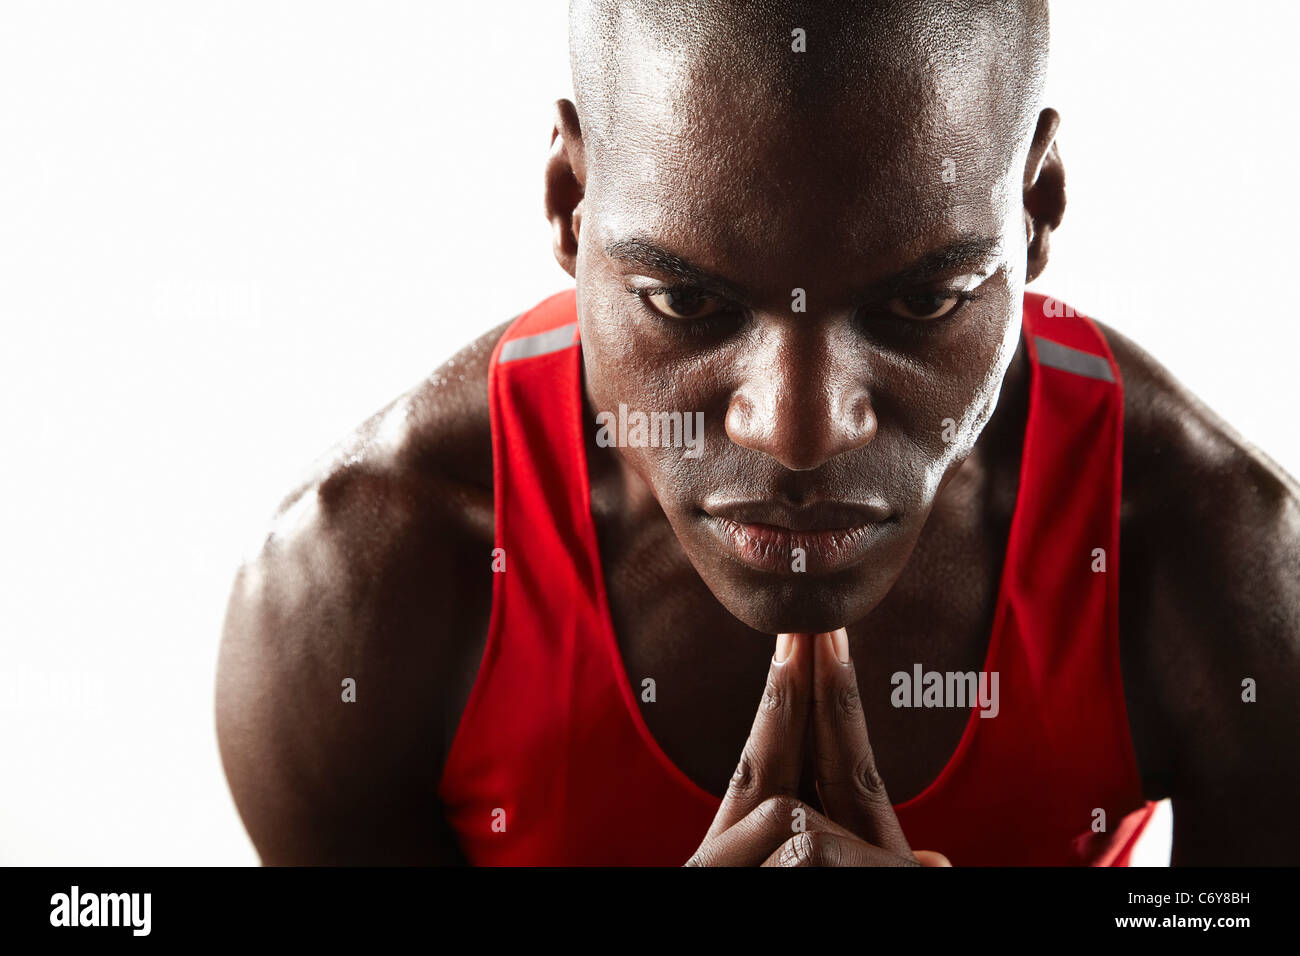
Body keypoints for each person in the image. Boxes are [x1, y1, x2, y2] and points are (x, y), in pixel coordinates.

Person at [215, 0, 1300, 865]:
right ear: (568, 202)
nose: (797, 433)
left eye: (922, 304)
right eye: (687, 304)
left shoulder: (1226, 567)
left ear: (1038, 207)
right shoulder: (359, 590)